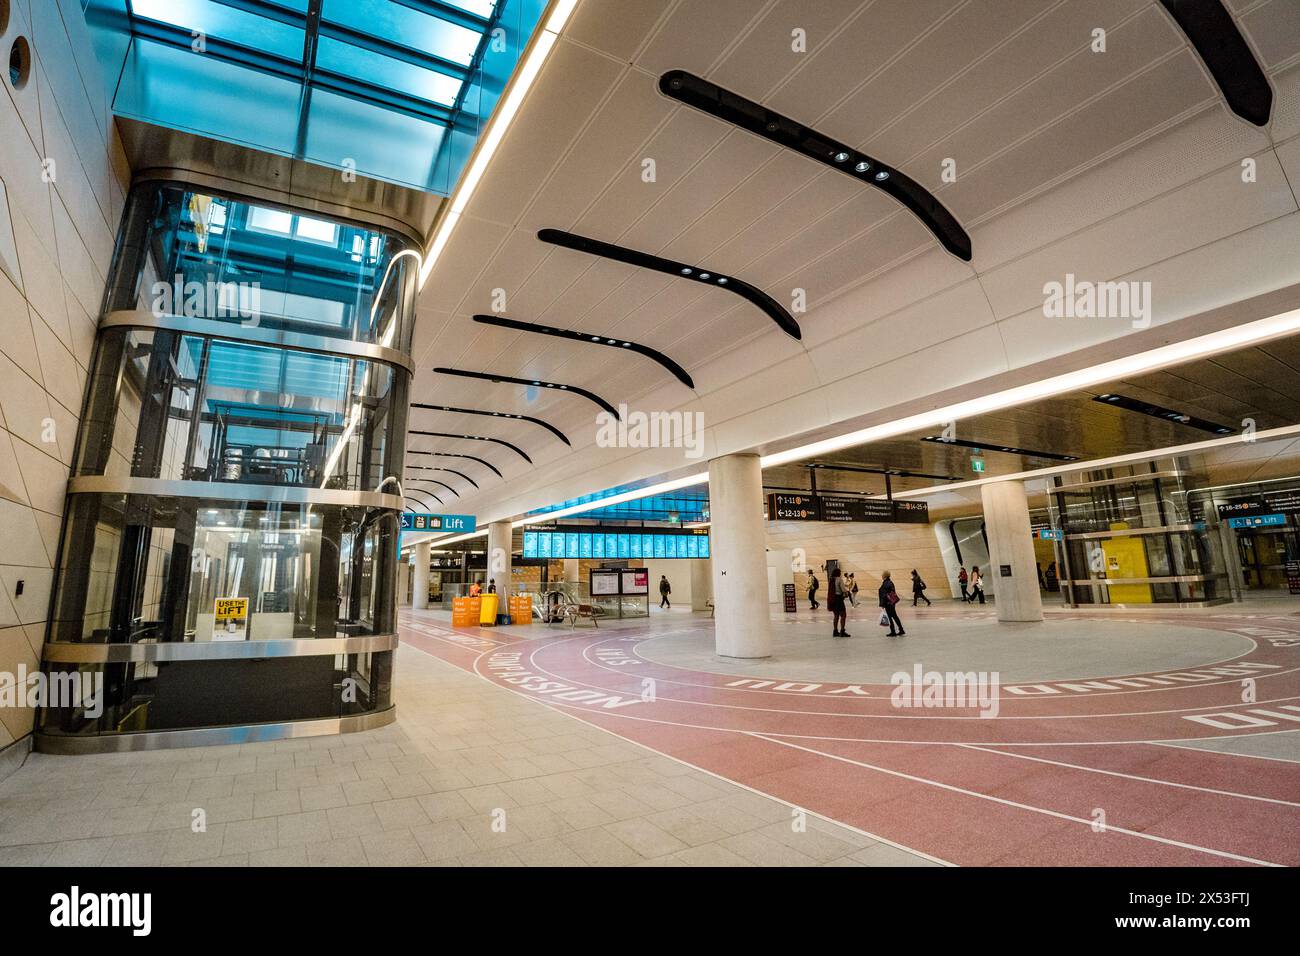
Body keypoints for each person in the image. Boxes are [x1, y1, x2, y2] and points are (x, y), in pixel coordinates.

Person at [879, 570, 904, 636]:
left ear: (884, 576)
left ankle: (893, 632)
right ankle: (901, 630)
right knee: (895, 616)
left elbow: (884, 594)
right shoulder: (889, 582)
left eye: (882, 575)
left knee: (890, 617)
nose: (881, 576)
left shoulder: (886, 583)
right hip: (891, 603)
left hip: (888, 603)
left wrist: (883, 604)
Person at [829, 567, 849, 637]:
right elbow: (843, 589)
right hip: (838, 599)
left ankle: (835, 631)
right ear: (838, 573)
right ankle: (842, 631)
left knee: (836, 616)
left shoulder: (831, 580)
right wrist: (846, 594)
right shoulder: (839, 579)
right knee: (843, 615)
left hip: (832, 599)